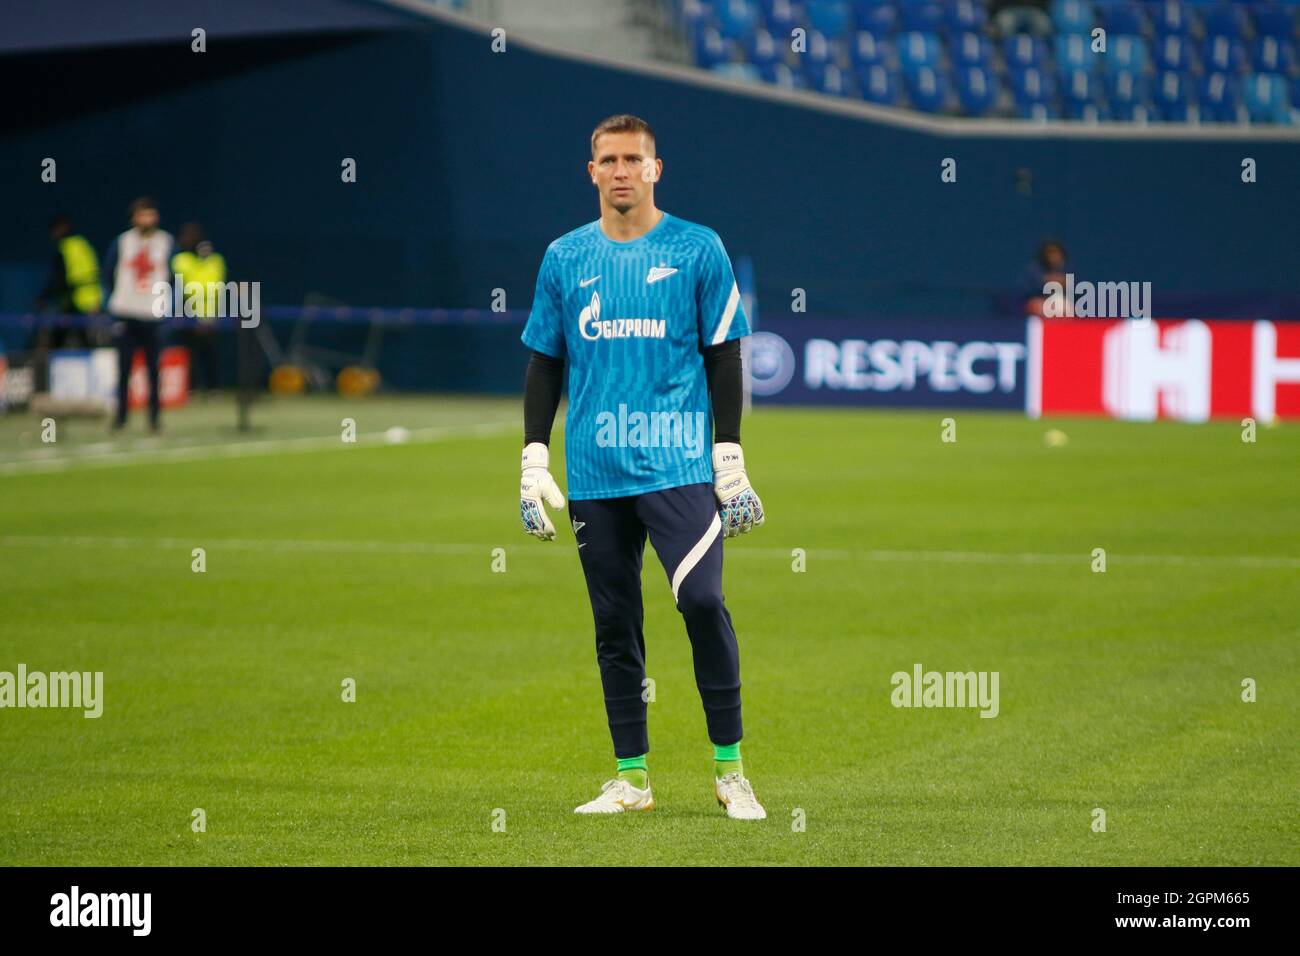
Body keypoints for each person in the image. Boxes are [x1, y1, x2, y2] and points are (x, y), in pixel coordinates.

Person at [518, 114, 767, 819]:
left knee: (703, 602)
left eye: (634, 158)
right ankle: (631, 778)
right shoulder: (564, 257)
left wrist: (729, 452)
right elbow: (545, 360)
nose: (622, 170)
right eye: (609, 159)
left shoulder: (698, 249)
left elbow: (725, 354)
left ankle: (731, 770)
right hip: (595, 473)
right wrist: (534, 455)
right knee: (614, 623)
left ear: (655, 169)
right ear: (591, 172)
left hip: (679, 465)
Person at [103, 197, 174, 432]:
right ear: (134, 218)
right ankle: (121, 418)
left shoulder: (165, 242)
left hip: (153, 316)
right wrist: (113, 304)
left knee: (154, 372)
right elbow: (107, 273)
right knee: (124, 370)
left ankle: (154, 419)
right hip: (126, 313)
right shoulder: (123, 242)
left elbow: (174, 276)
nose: (147, 219)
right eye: (143, 214)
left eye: (151, 214)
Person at [171, 222, 226, 398]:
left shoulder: (214, 259)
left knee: (209, 353)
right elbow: (177, 287)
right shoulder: (180, 260)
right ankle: (190, 388)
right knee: (188, 354)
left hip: (209, 313)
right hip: (187, 313)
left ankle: (213, 388)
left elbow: (217, 284)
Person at [1020, 238, 1068, 316]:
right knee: (1037, 305)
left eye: (1056, 252)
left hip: (1060, 304)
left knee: (1063, 305)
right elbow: (1027, 295)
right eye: (1050, 252)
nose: (1054, 255)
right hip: (1039, 302)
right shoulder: (1034, 270)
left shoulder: (1067, 268)